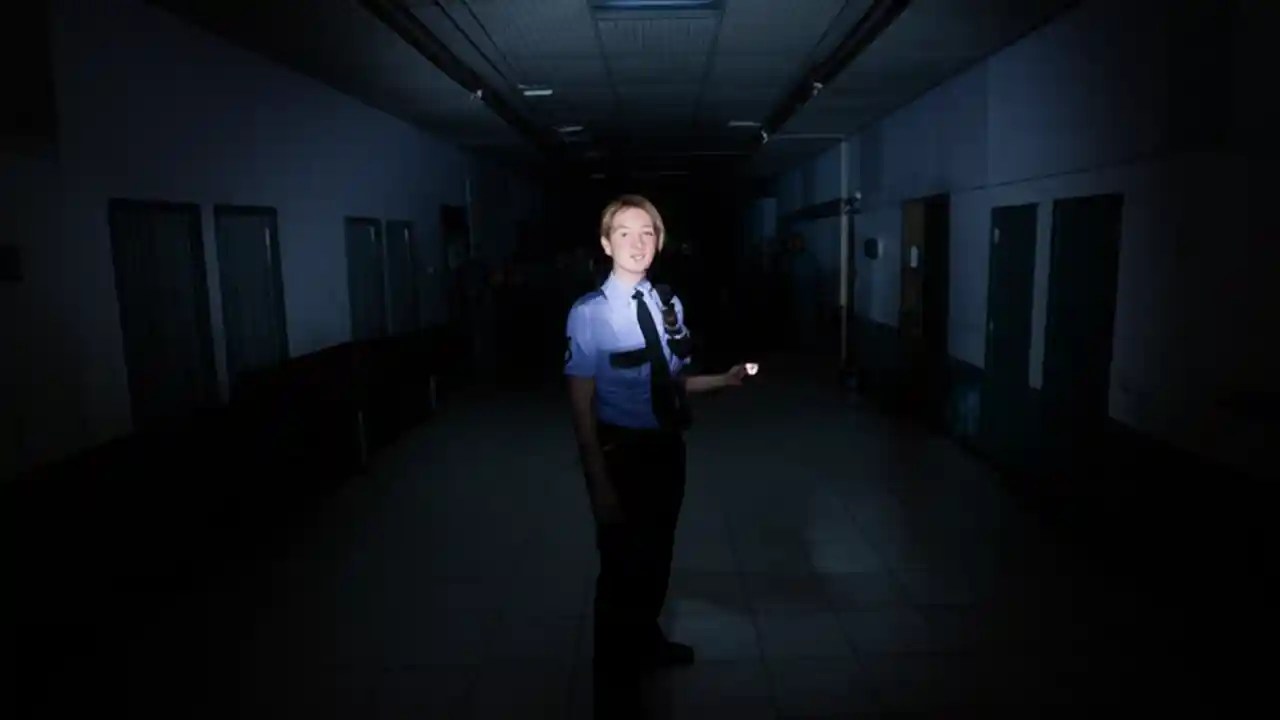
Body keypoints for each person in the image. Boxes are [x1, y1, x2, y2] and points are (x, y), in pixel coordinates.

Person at [563, 195, 750, 707]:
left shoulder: (668, 304)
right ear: (606, 244)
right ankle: (612, 674)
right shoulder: (589, 315)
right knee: (620, 565)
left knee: (659, 554)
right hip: (620, 454)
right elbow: (580, 405)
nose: (638, 242)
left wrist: (724, 381)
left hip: (666, 450)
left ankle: (647, 642)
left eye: (647, 232)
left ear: (659, 240)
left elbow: (672, 383)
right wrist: (597, 479)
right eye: (624, 232)